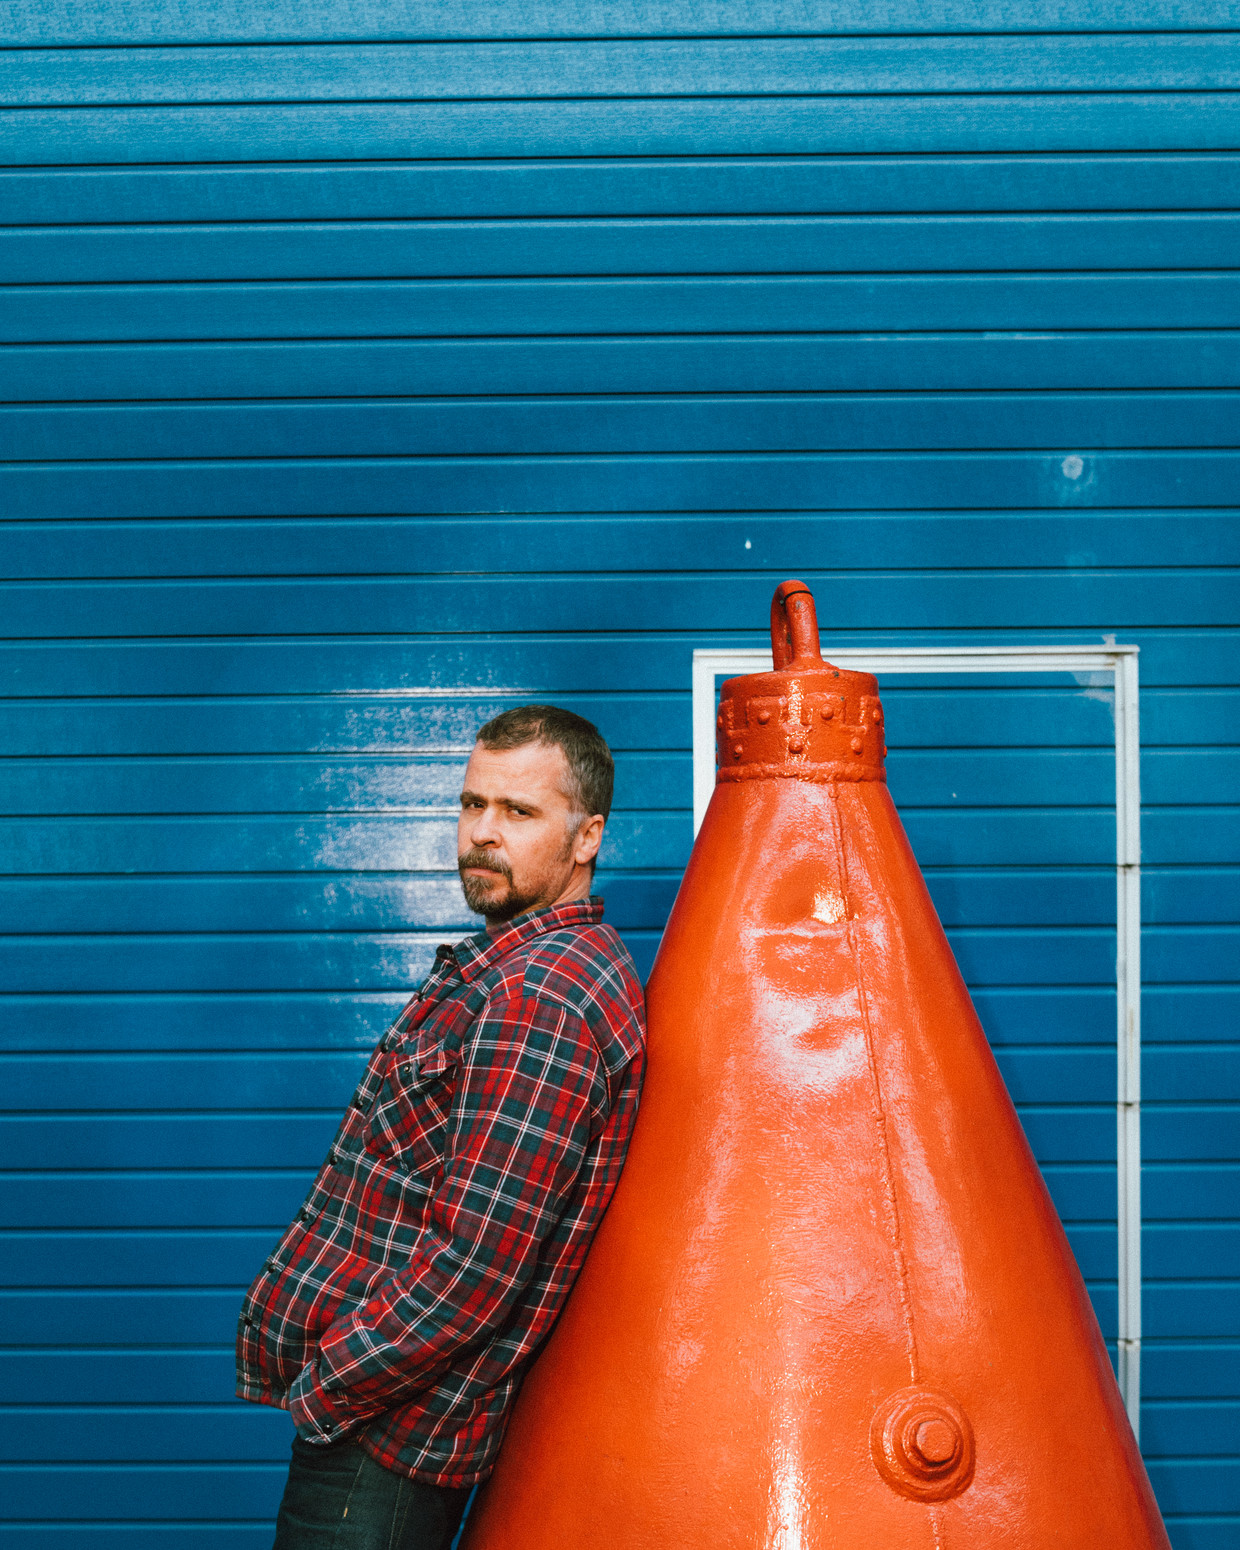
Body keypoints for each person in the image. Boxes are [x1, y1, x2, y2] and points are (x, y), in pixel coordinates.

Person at [236, 706, 647, 1549]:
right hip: (383, 1429)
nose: (482, 834)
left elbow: (478, 1263)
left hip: (386, 1442)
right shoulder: (516, 968)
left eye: (519, 812)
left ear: (586, 837)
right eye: (472, 805)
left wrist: (332, 1383)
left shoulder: (539, 999)